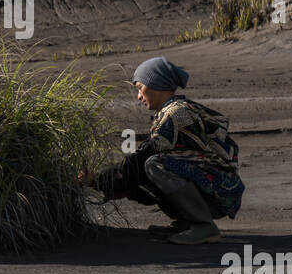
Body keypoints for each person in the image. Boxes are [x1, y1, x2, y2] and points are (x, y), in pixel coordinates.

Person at [78, 56, 245, 244]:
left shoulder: (176, 113)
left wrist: (99, 180)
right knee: (153, 166)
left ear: (156, 84)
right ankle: (187, 221)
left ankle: (204, 226)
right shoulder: (168, 112)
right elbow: (141, 171)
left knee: (155, 164)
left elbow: (141, 159)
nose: (139, 96)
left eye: (140, 88)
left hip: (221, 191)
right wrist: (115, 186)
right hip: (214, 187)